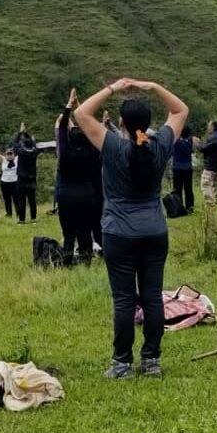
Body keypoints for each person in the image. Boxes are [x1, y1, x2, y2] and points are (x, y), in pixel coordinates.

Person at [73, 77, 189, 379]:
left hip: (118, 232)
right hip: (154, 231)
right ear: (148, 123)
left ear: (120, 123)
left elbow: (81, 113)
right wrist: (153, 86)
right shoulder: (160, 145)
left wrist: (113, 87)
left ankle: (122, 363)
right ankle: (151, 360)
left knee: (124, 300)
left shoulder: (113, 146)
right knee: (152, 297)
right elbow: (180, 111)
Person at [55, 88, 101, 264]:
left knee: (68, 232)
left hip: (66, 195)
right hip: (86, 195)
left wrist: (69, 104)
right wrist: (81, 108)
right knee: (84, 231)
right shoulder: (91, 152)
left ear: (70, 140)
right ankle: (86, 260)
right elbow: (90, 128)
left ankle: (67, 260)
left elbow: (61, 129)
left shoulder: (65, 154)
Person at [12, 124, 40, 224]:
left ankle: (22, 220)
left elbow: (15, 143)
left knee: (21, 199)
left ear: (23, 145)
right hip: (32, 178)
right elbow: (33, 144)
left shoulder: (21, 152)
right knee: (32, 200)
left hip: (21, 179)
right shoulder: (35, 152)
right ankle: (33, 218)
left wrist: (20, 132)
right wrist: (27, 134)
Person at [198, 121, 217, 204]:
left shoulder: (213, 138)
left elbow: (204, 149)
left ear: (213, 127)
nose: (208, 128)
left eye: (209, 126)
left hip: (211, 165)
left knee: (205, 183)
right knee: (215, 183)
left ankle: (209, 202)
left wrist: (198, 144)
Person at [170, 126, 195, 214]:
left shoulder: (177, 142)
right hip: (188, 167)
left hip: (177, 167)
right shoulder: (190, 141)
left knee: (177, 189)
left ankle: (178, 207)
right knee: (188, 189)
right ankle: (190, 207)